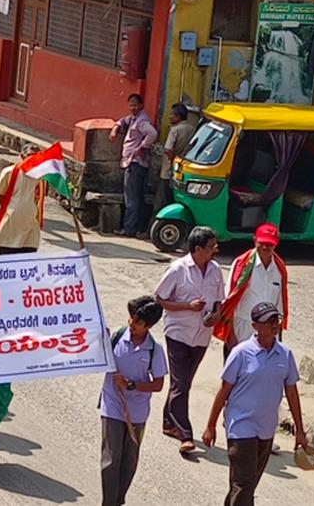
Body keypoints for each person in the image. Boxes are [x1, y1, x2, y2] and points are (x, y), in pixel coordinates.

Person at [202, 303, 307, 506]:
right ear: (254, 326)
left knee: (245, 484)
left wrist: (300, 431)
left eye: (275, 320)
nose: (274, 325)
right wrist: (210, 425)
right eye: (268, 321)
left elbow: (292, 393)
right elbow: (224, 390)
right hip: (240, 426)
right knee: (244, 483)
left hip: (266, 429)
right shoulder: (241, 353)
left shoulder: (285, 355)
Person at [154, 225, 224, 454]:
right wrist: (187, 306)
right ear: (197, 249)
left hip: (202, 336)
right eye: (211, 246)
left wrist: (216, 316)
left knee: (182, 383)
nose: (216, 249)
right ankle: (185, 434)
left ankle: (168, 423)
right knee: (181, 384)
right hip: (178, 333)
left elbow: (219, 302)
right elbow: (160, 298)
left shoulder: (215, 270)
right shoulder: (178, 269)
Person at [100, 296, 168, 506]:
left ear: (149, 326)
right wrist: (100, 339)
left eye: (137, 323)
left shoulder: (155, 351)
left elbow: (158, 384)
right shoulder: (117, 337)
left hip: (137, 414)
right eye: (131, 319)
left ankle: (119, 499)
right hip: (111, 406)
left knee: (128, 461)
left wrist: (131, 385)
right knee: (111, 460)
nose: (131, 324)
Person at [214, 223, 288, 358]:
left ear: (276, 244)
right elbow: (228, 301)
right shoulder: (241, 264)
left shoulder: (279, 269)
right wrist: (230, 335)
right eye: (262, 243)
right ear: (255, 240)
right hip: (242, 329)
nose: (266, 247)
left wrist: (278, 335)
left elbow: (280, 305)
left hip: (268, 333)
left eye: (270, 244)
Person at [110, 93, 158, 237]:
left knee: (131, 198)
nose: (132, 107)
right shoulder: (133, 119)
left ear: (141, 105)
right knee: (136, 197)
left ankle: (129, 228)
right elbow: (122, 121)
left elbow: (153, 134)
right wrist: (115, 129)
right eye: (130, 104)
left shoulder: (141, 121)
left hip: (135, 162)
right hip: (132, 162)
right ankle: (138, 228)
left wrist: (142, 147)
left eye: (135, 104)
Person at [0, 144, 46, 255]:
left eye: (37, 156)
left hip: (31, 224)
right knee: (6, 261)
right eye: (30, 155)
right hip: (11, 222)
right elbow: (1, 194)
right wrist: (10, 209)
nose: (33, 159)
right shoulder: (9, 172)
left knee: (27, 262)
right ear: (22, 156)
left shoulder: (41, 177)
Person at [154, 103, 194, 217]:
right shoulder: (192, 129)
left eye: (172, 114)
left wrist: (172, 161)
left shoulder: (175, 130)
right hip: (184, 171)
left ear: (179, 116)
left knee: (161, 201)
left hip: (169, 172)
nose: (170, 116)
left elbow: (168, 149)